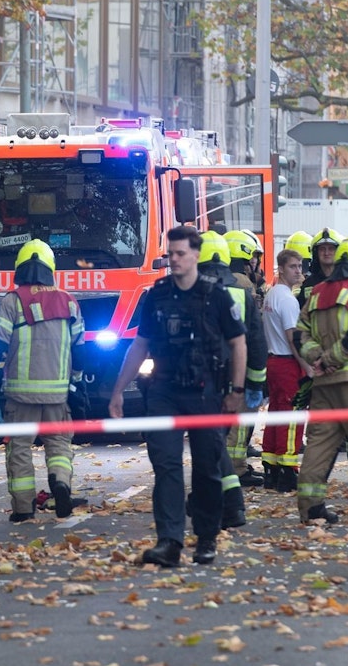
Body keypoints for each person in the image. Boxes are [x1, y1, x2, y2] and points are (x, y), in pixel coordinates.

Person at [109, 226, 245, 568]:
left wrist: (237, 390)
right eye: (170, 254)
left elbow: (238, 343)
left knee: (206, 468)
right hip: (164, 391)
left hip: (205, 393)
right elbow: (139, 345)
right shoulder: (156, 296)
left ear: (196, 255)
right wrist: (118, 391)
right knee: (165, 466)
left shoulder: (216, 296)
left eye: (181, 254)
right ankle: (169, 541)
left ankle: (207, 538)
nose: (174, 260)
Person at [0, 240, 86, 522]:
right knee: (59, 444)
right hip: (58, 394)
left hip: (20, 395)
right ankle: (60, 481)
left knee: (19, 448)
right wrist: (75, 382)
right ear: (51, 268)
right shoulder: (69, 301)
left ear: (19, 269)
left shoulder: (12, 302)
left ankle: (23, 509)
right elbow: (81, 349)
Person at [295, 238, 348, 524]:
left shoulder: (318, 292)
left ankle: (310, 507)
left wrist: (317, 358)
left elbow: (300, 333)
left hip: (323, 386)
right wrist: (331, 358)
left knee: (318, 445)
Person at [199, 232, 266, 523]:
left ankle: (222, 499)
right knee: (218, 438)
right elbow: (255, 338)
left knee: (211, 439)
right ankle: (225, 496)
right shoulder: (242, 289)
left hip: (199, 378)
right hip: (233, 373)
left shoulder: (188, 286)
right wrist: (255, 381)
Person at [261, 248, 310, 492]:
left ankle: (270, 466)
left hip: (273, 361)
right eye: (293, 267)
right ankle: (288, 472)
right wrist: (307, 367)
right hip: (288, 362)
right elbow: (293, 339)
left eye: (300, 266)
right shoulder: (287, 299)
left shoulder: (272, 295)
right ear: (281, 269)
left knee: (276, 414)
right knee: (292, 417)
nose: (298, 271)